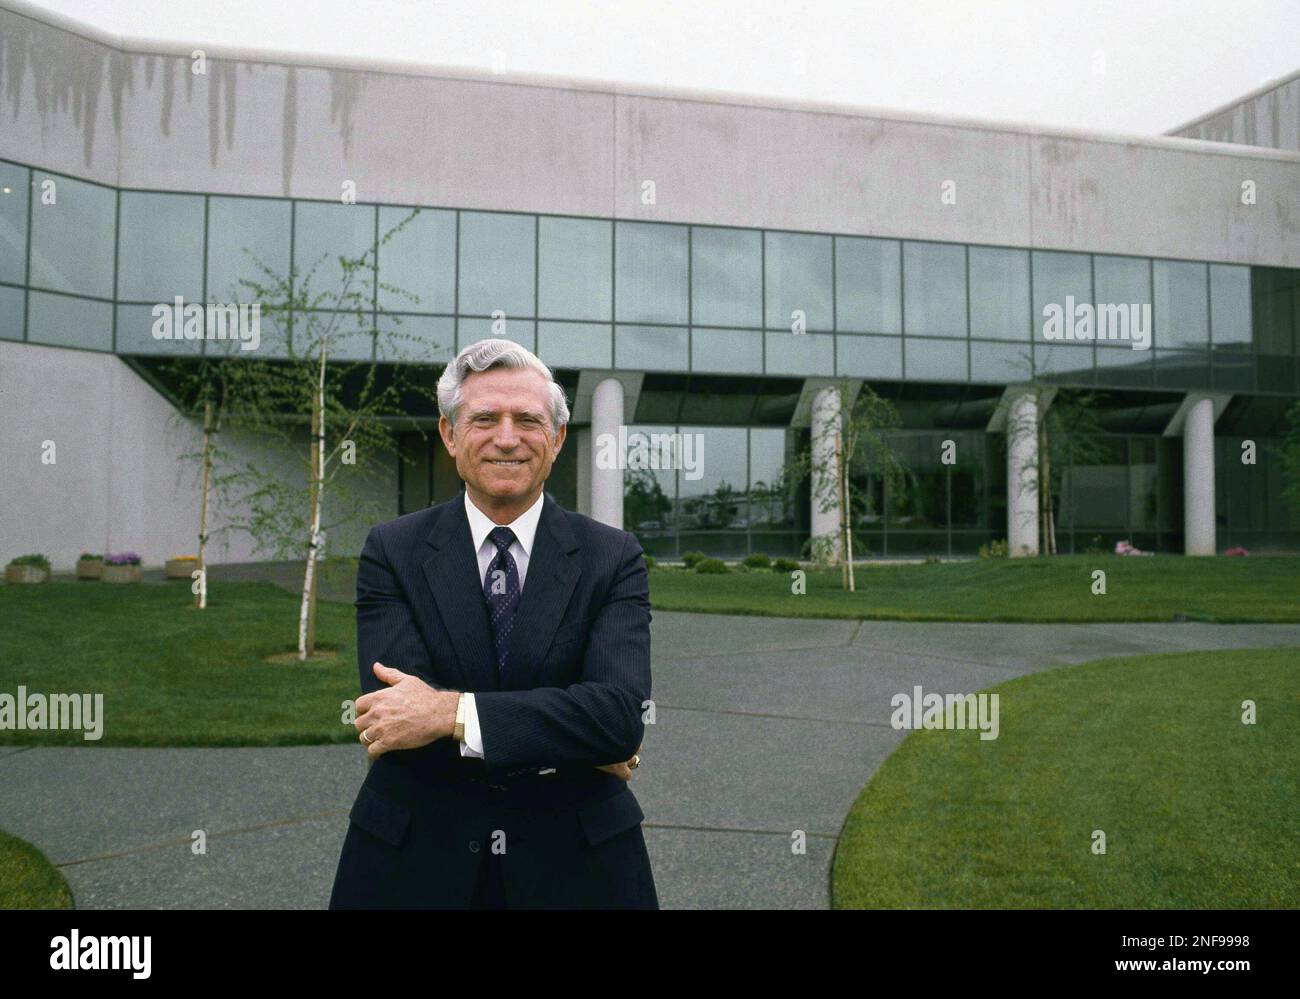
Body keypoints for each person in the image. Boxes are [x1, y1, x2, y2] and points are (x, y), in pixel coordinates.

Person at [328, 338, 658, 909]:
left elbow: (616, 719)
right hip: (416, 863)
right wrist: (574, 741)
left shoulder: (613, 557)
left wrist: (450, 713)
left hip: (577, 869)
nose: (507, 437)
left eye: (528, 419)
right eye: (484, 418)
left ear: (555, 439)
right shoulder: (393, 551)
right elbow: (397, 724)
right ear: (450, 435)